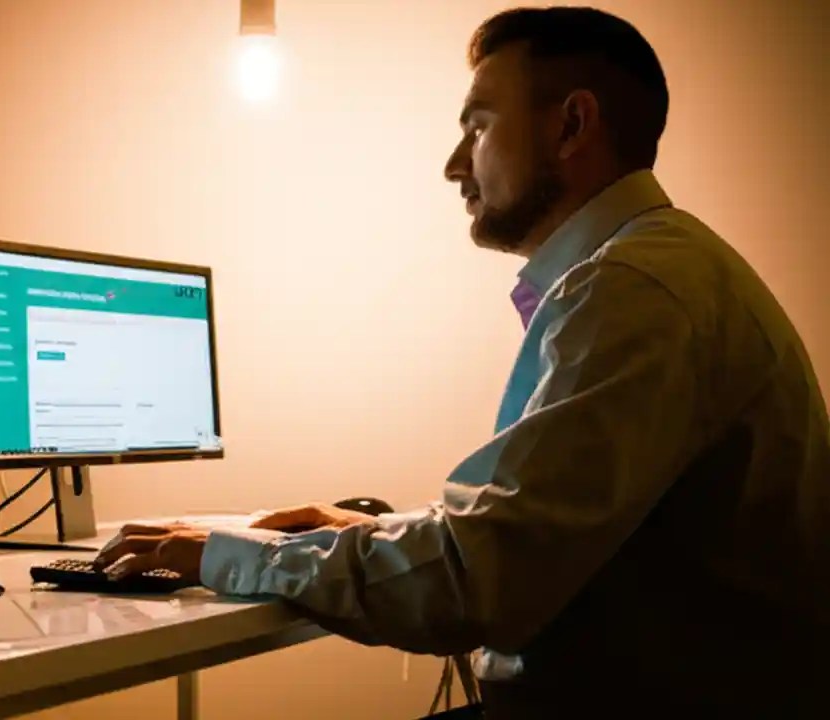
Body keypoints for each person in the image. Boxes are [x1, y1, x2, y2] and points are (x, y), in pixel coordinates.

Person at [95, 6, 829, 717]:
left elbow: (471, 585)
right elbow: (523, 531)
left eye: (477, 126)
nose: (454, 165)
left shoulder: (634, 290)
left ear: (572, 124)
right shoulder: (655, 270)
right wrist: (364, 533)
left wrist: (225, 555)